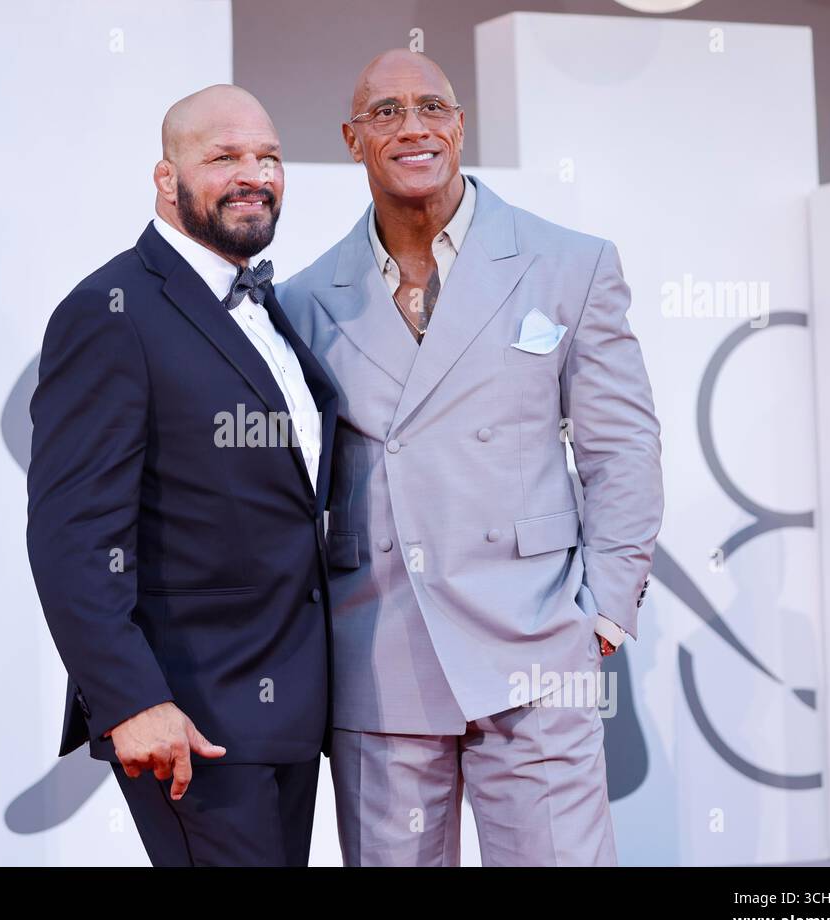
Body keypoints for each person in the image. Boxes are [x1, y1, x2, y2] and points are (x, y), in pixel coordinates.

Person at [277, 50, 664, 866]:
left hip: (537, 644)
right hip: (380, 655)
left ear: (460, 124)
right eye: (385, 112)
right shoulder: (307, 300)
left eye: (431, 107)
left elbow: (621, 444)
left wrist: (605, 608)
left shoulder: (570, 263)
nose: (412, 126)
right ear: (352, 139)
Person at [26, 84, 337, 866]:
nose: (254, 174)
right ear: (167, 180)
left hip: (292, 709)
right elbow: (73, 535)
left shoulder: (274, 309)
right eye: (224, 156)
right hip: (190, 716)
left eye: (268, 157)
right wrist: (131, 700)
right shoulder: (111, 312)